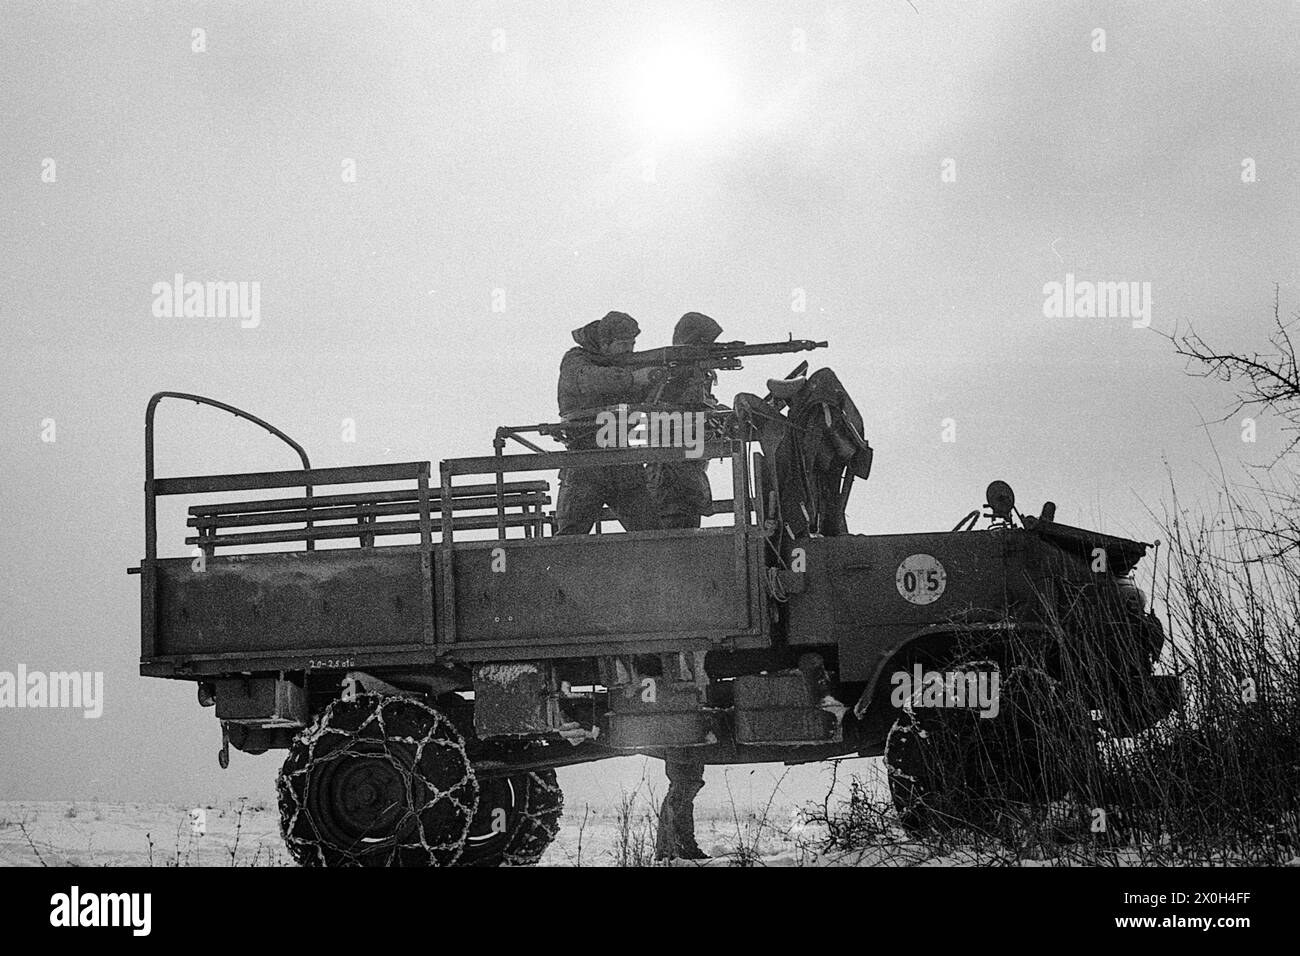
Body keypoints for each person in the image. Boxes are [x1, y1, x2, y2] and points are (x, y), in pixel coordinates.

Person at [555, 311, 658, 535]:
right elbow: (589, 379)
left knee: (651, 534)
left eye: (632, 343)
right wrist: (633, 379)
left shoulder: (620, 365)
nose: (629, 349)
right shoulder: (576, 359)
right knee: (569, 540)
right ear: (604, 343)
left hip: (622, 458)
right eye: (623, 343)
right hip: (586, 458)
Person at [646, 312, 725, 529]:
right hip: (671, 482)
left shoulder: (693, 379)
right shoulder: (672, 378)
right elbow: (672, 422)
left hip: (687, 480)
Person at [655, 753, 708, 860]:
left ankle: (673, 847)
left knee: (685, 786)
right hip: (683, 746)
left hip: (684, 746)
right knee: (684, 786)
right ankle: (671, 848)